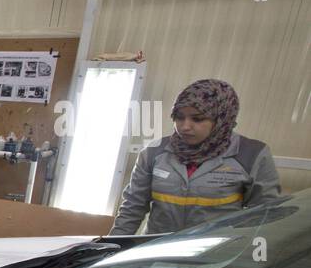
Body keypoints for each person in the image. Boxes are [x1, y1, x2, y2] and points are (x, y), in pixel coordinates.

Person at [111, 79, 281, 235]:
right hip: (157, 253)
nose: (185, 127)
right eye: (179, 117)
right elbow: (133, 207)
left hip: (215, 258)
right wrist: (111, 250)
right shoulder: (155, 152)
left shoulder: (251, 154)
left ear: (222, 119)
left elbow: (263, 216)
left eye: (198, 119)